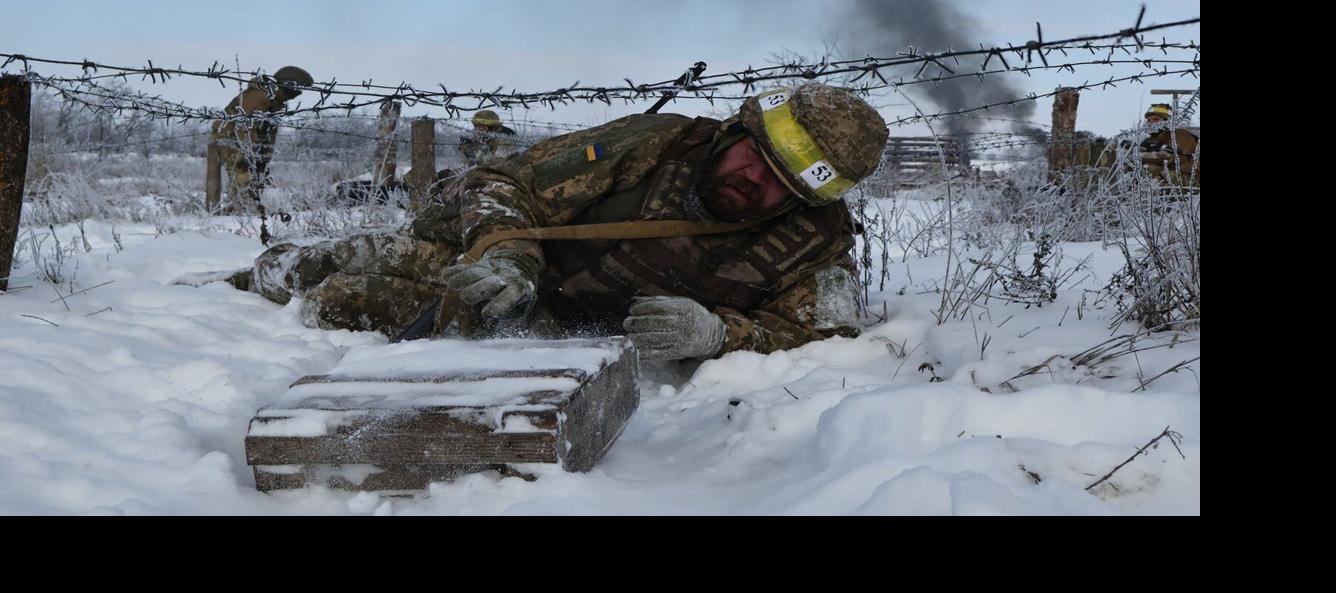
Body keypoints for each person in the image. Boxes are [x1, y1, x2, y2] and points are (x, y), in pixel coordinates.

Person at [238, 84, 890, 361]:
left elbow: (821, 337)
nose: (754, 179)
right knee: (348, 257)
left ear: (807, 198)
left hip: (552, 327)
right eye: (755, 156)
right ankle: (267, 271)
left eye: (781, 182)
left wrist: (718, 335)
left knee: (343, 300)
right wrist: (510, 257)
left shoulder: (816, 243)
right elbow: (508, 183)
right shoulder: (658, 143)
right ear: (739, 130)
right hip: (505, 269)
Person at [210, 66, 313, 210]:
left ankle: (246, 209)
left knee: (256, 177)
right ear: (288, 85)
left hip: (247, 140)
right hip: (229, 136)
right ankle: (236, 212)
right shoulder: (260, 96)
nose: (297, 95)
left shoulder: (277, 102)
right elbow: (245, 126)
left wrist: (264, 161)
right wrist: (246, 157)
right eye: (297, 90)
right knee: (241, 175)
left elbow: (270, 135)